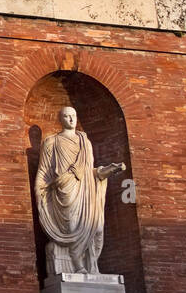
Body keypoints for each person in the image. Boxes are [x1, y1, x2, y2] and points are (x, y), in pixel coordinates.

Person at [34, 107, 124, 276]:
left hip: (87, 190)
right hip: (66, 190)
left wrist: (108, 170)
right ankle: (77, 265)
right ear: (60, 119)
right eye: (66, 116)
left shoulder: (85, 141)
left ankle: (92, 265)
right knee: (73, 226)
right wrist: (38, 190)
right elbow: (44, 171)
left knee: (96, 228)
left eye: (73, 116)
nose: (71, 119)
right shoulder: (51, 142)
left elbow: (90, 171)